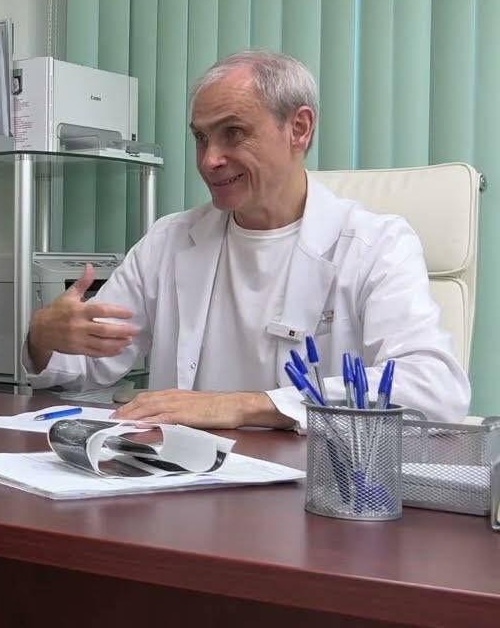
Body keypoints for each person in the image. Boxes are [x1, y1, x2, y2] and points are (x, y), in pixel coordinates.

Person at [26, 50, 469, 430]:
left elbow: (434, 391)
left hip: (316, 488)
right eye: (201, 138)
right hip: (180, 482)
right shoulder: (169, 241)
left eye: (233, 133)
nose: (209, 160)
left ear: (299, 128)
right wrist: (43, 338)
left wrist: (244, 406)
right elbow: (80, 370)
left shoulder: (375, 245)